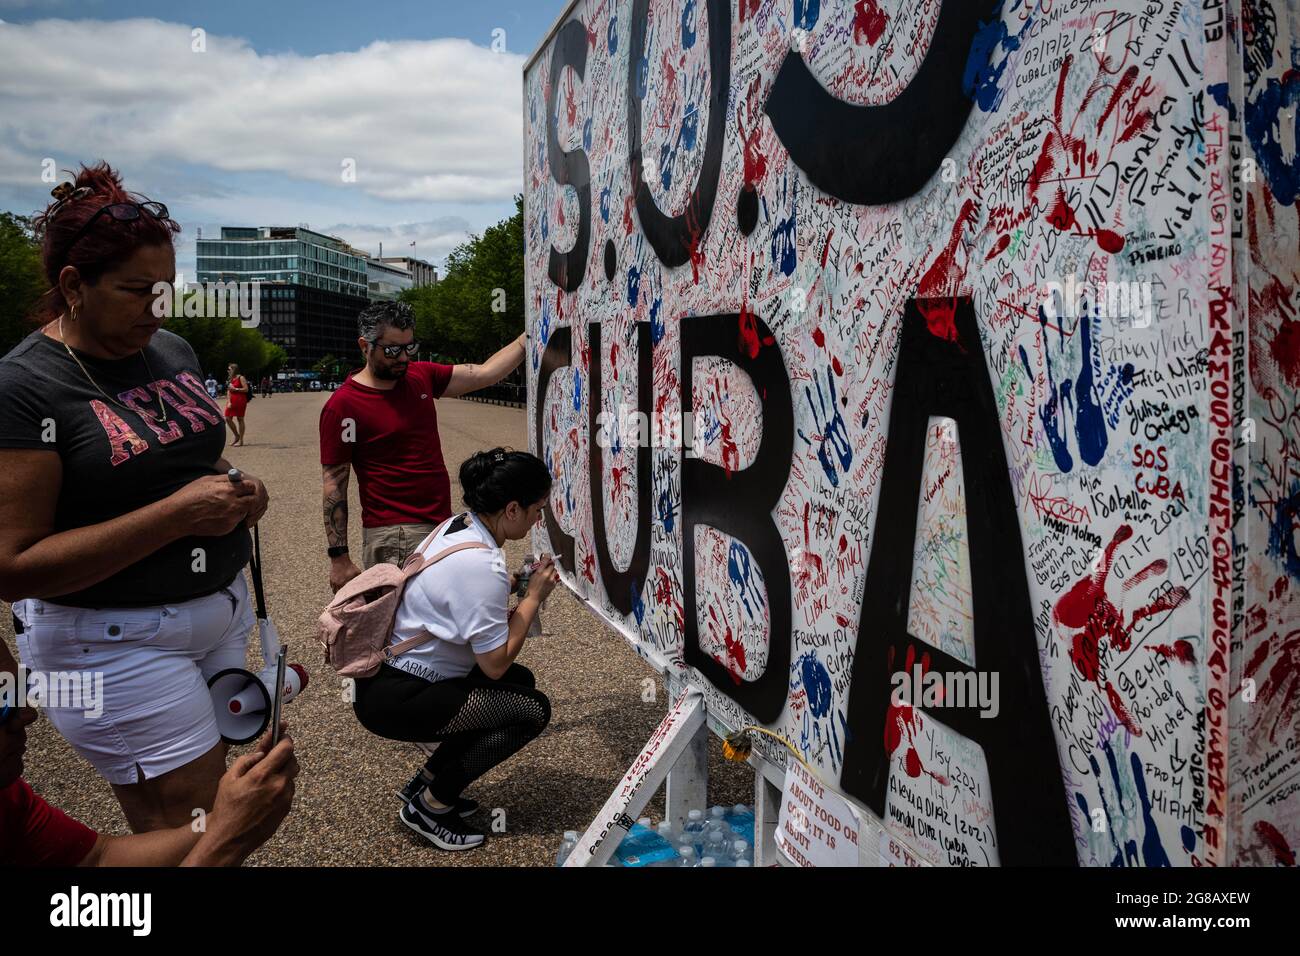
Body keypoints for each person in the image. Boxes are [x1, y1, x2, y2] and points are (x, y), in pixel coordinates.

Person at [0, 162, 270, 833]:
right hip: (109, 645)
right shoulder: (24, 386)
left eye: (168, 290)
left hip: (216, 616)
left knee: (226, 815)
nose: (160, 308)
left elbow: (181, 457)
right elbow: (12, 565)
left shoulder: (170, 349)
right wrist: (178, 516)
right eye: (136, 290)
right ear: (73, 286)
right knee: (200, 828)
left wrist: (237, 487)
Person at [352, 449, 558, 851]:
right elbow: (495, 663)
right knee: (532, 710)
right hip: (399, 698)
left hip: (389, 679)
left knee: (522, 682)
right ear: (512, 508)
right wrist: (533, 596)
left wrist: (516, 584)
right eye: (538, 510)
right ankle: (430, 807)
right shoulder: (481, 566)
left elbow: (463, 605)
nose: (540, 519)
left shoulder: (459, 526)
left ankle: (428, 781)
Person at [0, 640, 297, 866]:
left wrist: (231, 812)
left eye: (21, 690)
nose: (27, 714)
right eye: (4, 703)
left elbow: (100, 857)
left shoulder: (10, 801)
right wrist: (228, 839)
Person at [320, 300, 528, 592]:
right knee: (411, 629)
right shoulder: (343, 405)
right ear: (365, 346)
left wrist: (525, 339)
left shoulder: (420, 376)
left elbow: (484, 373)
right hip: (395, 534)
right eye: (393, 350)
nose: (403, 357)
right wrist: (339, 557)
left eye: (410, 347)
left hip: (440, 524)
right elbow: (334, 485)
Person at [225, 362, 250, 446]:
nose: (228, 371)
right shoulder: (230, 379)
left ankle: (241, 440)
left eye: (229, 369)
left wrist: (235, 389)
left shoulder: (241, 377)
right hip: (231, 401)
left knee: (240, 419)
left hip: (240, 400)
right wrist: (229, 401)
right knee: (227, 418)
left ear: (233, 369)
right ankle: (236, 435)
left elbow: (246, 389)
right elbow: (228, 391)